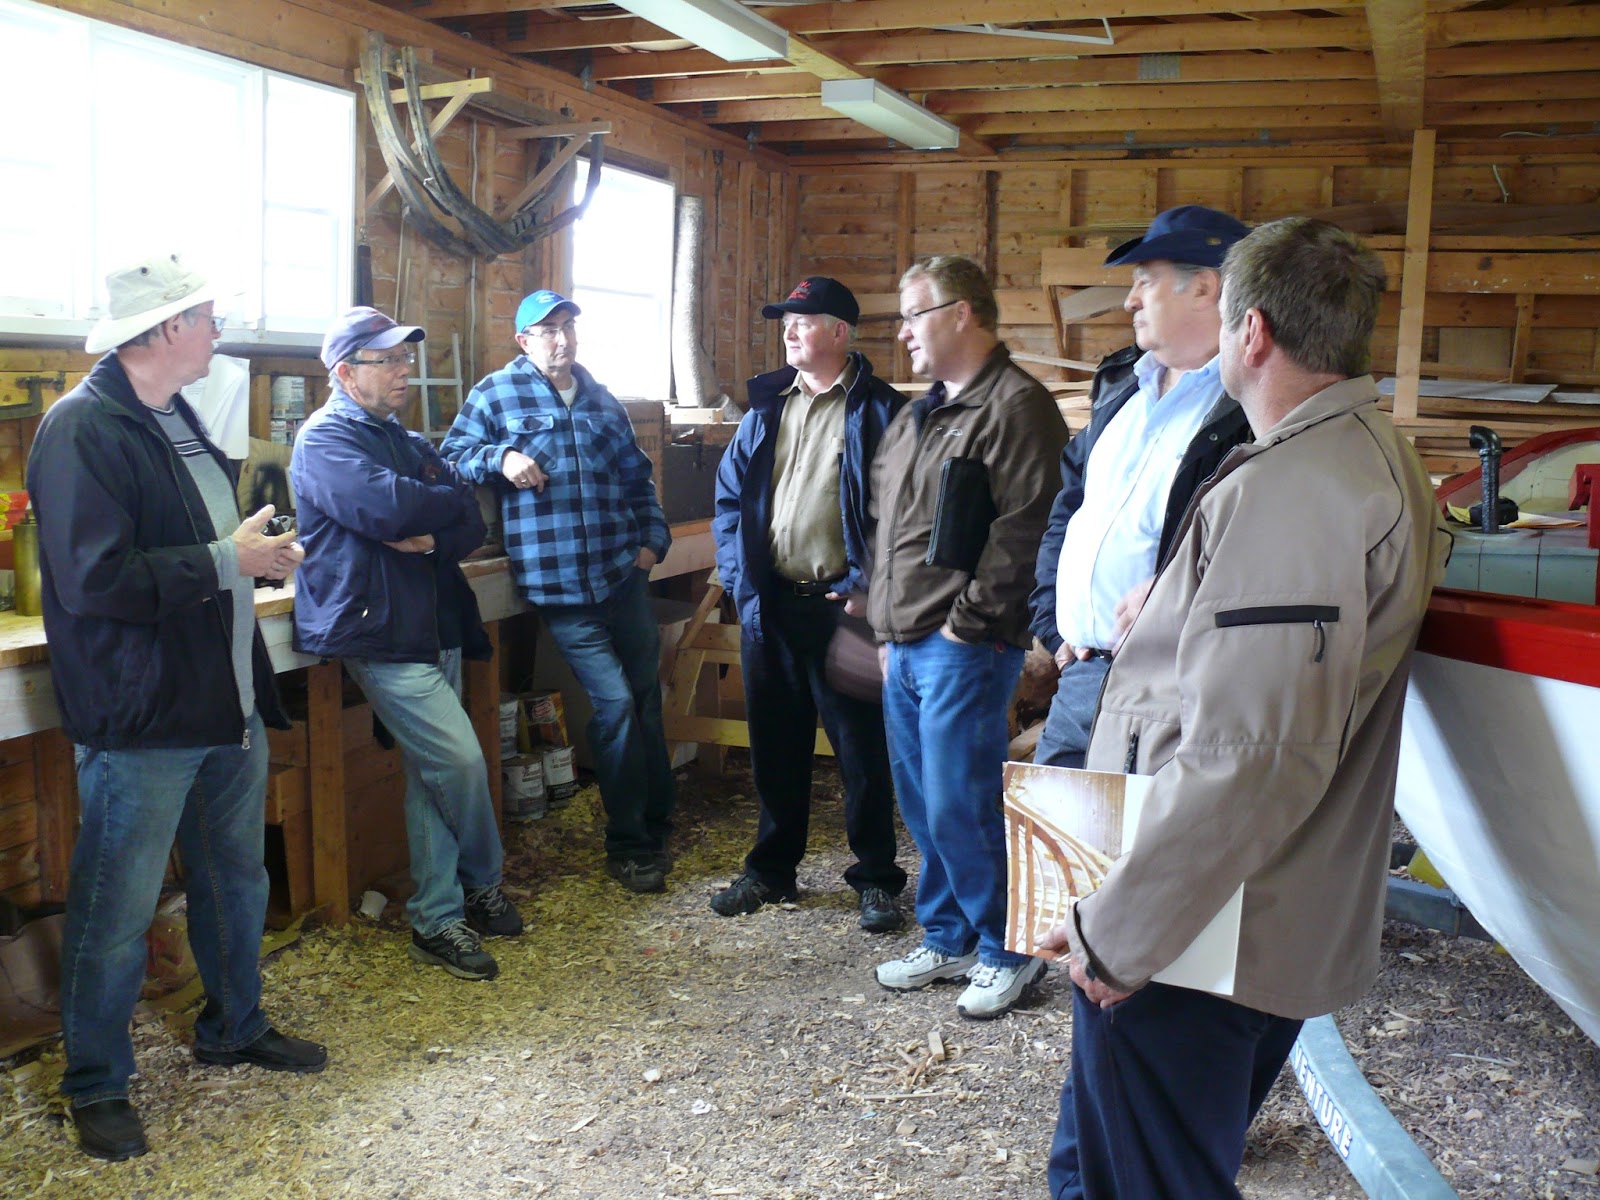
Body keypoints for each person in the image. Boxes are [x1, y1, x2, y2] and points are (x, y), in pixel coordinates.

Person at [1042, 218, 1451, 1200]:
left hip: (1203, 931)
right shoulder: (1356, 454)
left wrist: (1119, 933)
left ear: (1251, 332)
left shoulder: (1293, 489)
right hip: (1235, 906)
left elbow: (1252, 755)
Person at [26, 252, 326, 1162]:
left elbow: (206, 543)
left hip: (222, 700)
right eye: (205, 317)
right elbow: (90, 580)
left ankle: (235, 1024)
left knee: (237, 881)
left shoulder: (175, 416)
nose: (218, 329)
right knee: (117, 911)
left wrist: (255, 555)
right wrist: (224, 561)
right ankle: (95, 1084)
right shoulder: (81, 429)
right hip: (146, 715)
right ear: (161, 332)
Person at [291, 307, 521, 983]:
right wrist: (435, 506)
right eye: (387, 361)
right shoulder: (326, 442)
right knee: (459, 763)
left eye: (405, 359)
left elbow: (469, 516)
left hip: (432, 620)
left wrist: (435, 520)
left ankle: (438, 917)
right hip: (380, 631)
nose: (404, 372)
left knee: (432, 775)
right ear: (344, 372)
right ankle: (481, 879)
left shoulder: (405, 437)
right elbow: (393, 509)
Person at [867, 255, 1068, 1019]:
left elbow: (1024, 531)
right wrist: (884, 629)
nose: (904, 331)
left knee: (961, 799)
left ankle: (1010, 950)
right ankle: (948, 933)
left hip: (963, 643)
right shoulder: (922, 413)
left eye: (914, 313)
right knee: (923, 801)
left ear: (961, 314)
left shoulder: (1017, 407)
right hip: (907, 640)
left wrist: (966, 627)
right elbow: (891, 528)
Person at [442, 291, 676, 893]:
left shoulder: (601, 398)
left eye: (568, 328)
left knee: (647, 698)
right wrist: (502, 457)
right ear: (524, 340)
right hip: (559, 586)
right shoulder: (495, 393)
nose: (562, 341)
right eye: (547, 331)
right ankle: (627, 845)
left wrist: (653, 542)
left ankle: (655, 819)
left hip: (623, 574)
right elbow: (452, 457)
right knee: (616, 704)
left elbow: (638, 477)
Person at [709, 277, 908, 932]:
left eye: (803, 320)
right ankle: (772, 872)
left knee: (860, 750)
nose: (789, 330)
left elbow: (905, 515)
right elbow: (732, 499)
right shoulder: (767, 408)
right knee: (775, 745)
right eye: (785, 321)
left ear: (840, 333)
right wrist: (742, 582)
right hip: (772, 605)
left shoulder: (882, 410)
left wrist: (869, 588)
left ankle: (876, 878)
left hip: (842, 611)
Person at [1029, 206, 1253, 768]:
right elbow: (1070, 509)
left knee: (1138, 849)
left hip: (1169, 684)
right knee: (1057, 844)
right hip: (1080, 671)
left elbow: (1260, 546)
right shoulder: (1120, 389)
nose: (1130, 301)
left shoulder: (1250, 410)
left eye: (1145, 282)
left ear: (1203, 287)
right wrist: (1054, 625)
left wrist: (1175, 594)